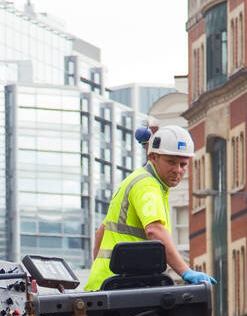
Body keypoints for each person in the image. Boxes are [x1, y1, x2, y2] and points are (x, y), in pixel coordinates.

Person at [85, 124, 217, 291]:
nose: (177, 170)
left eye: (183, 164)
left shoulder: (135, 180)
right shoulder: (147, 185)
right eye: (171, 162)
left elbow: (101, 232)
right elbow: (154, 230)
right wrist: (185, 271)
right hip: (122, 288)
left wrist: (100, 274)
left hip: (106, 285)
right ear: (153, 157)